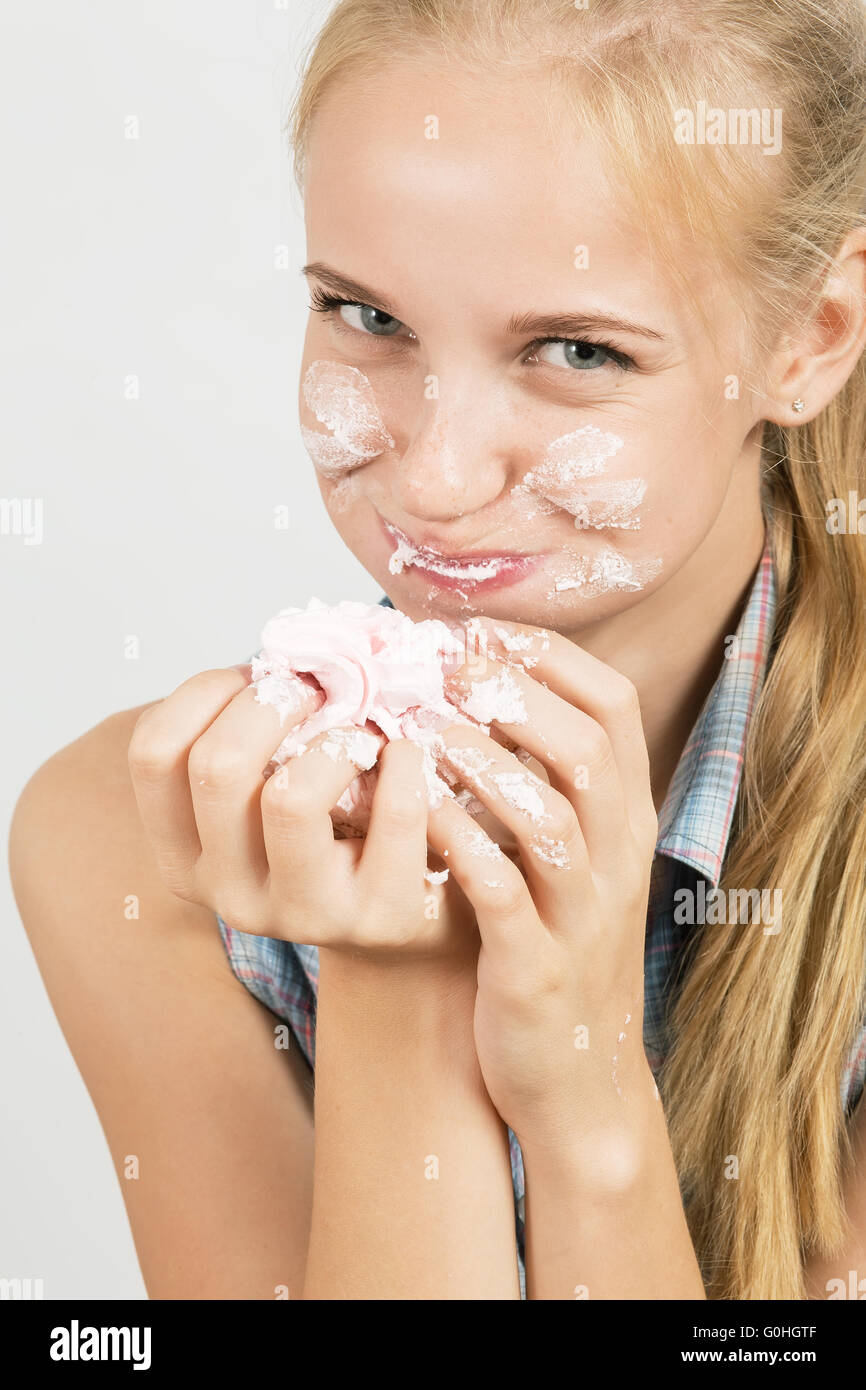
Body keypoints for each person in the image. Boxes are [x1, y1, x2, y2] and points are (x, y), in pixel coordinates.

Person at [10, 0, 866, 1300]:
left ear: (807, 339)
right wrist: (395, 977)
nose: (440, 477)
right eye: (366, 317)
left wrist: (585, 1092)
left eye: (575, 350)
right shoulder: (127, 833)